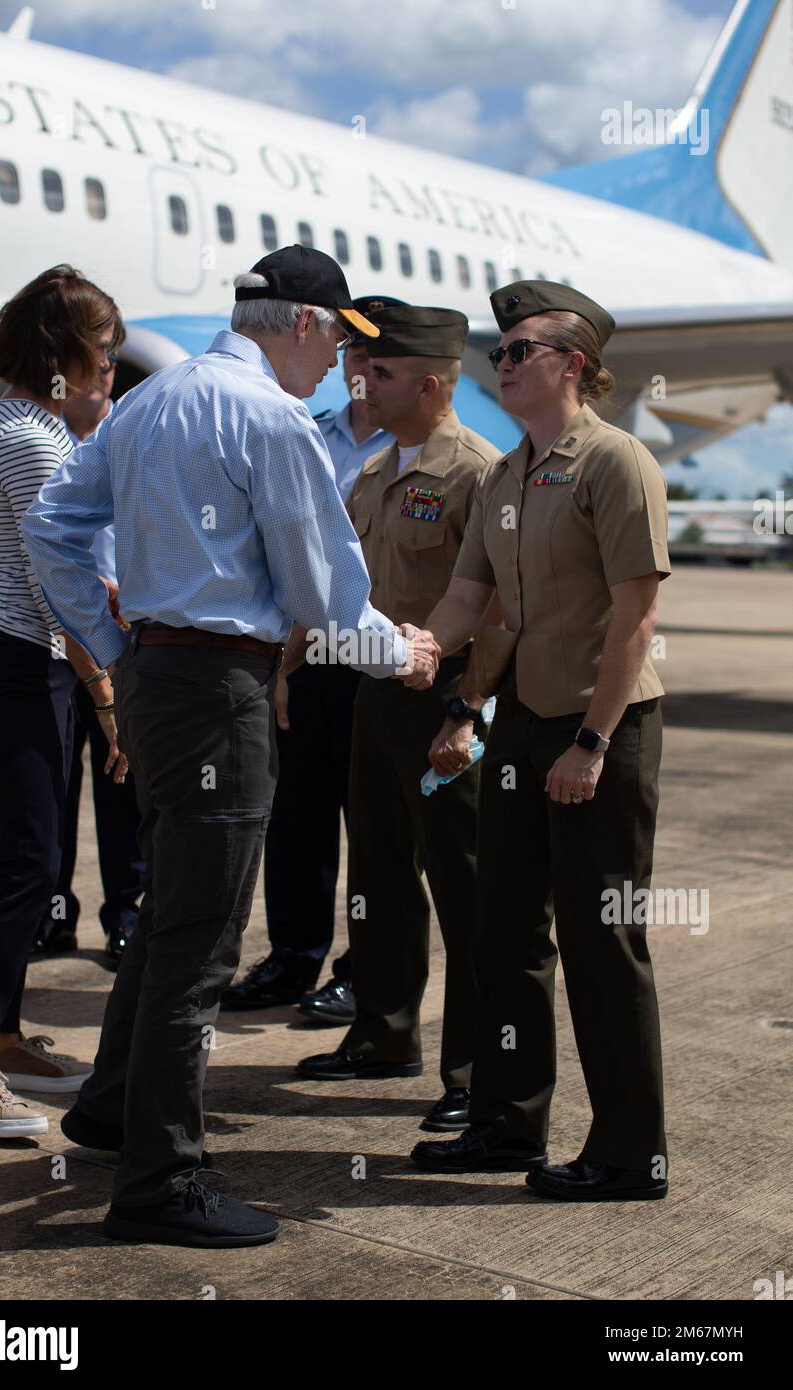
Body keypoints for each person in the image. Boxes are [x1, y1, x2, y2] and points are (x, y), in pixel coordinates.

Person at [21, 244, 441, 1249]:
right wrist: (402, 651)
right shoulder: (269, 420)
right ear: (300, 323)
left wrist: (115, 642)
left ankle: (115, 1106)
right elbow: (321, 594)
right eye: (336, 336)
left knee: (171, 906)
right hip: (218, 689)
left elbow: (51, 527)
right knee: (201, 941)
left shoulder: (149, 401)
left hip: (160, 679)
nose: (336, 358)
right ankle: (162, 1180)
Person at [410, 280, 672, 1200]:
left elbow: (634, 620)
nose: (501, 363)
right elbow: (473, 603)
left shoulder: (616, 462)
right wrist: (429, 664)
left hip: (602, 729)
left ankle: (630, 1153)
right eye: (499, 351)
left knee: (604, 942)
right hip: (520, 726)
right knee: (504, 930)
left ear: (571, 363)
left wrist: (592, 745)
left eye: (518, 350)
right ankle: (507, 1124)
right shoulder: (507, 474)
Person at [0, 265, 127, 1142]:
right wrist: (106, 692)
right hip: (29, 658)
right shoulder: (38, 439)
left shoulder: (17, 421)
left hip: (20, 657)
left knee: (32, 860)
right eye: (103, 354)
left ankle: (2, 1035)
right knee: (29, 865)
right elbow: (62, 588)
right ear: (64, 353)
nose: (110, 371)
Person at [297, 305, 503, 1135]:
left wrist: (469, 711)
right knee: (378, 875)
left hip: (451, 698)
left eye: (379, 374)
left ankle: (477, 1071)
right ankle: (383, 1033)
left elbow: (497, 610)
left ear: (429, 382)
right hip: (376, 695)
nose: (362, 383)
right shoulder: (377, 468)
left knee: (467, 887)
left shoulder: (482, 474)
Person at [225, 294, 401, 1023]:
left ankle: (366, 968)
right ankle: (293, 956)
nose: (360, 366)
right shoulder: (303, 430)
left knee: (375, 826)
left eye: (378, 358)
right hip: (305, 656)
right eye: (354, 352)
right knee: (295, 815)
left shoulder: (412, 451)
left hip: (379, 654)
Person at [31, 359, 145, 967]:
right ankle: (51, 915)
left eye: (108, 365)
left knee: (121, 780)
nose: (102, 375)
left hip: (119, 636)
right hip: (52, 639)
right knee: (53, 781)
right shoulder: (40, 441)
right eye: (88, 366)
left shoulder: (132, 434)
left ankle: (124, 916)